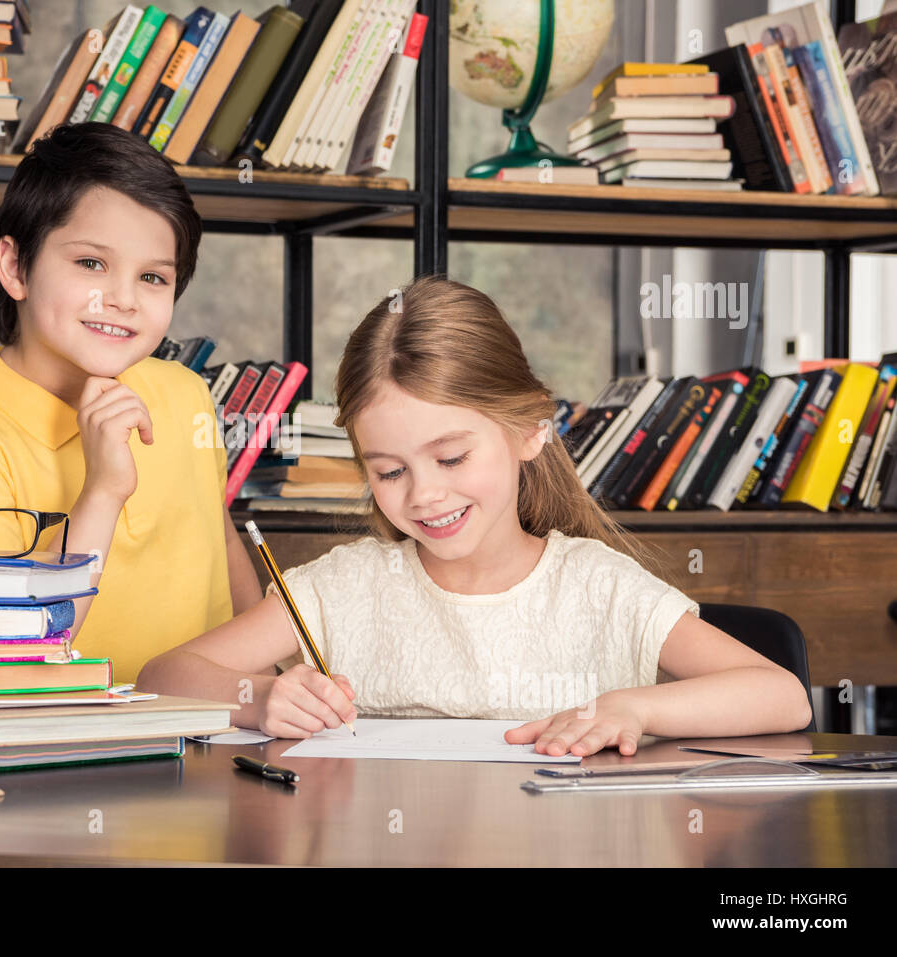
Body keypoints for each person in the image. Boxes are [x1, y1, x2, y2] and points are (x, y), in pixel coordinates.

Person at [138, 275, 813, 755]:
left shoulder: (597, 585)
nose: (424, 495)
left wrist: (634, 706)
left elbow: (781, 696)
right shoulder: (347, 586)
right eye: (389, 470)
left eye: (452, 457)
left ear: (528, 431)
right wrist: (258, 696)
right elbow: (163, 677)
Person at [0, 122, 262, 684]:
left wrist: (282, 674)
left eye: (152, 276)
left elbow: (219, 545)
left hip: (211, 733)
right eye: (91, 264)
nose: (121, 299)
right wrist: (101, 492)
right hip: (55, 748)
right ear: (15, 267)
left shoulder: (183, 393)